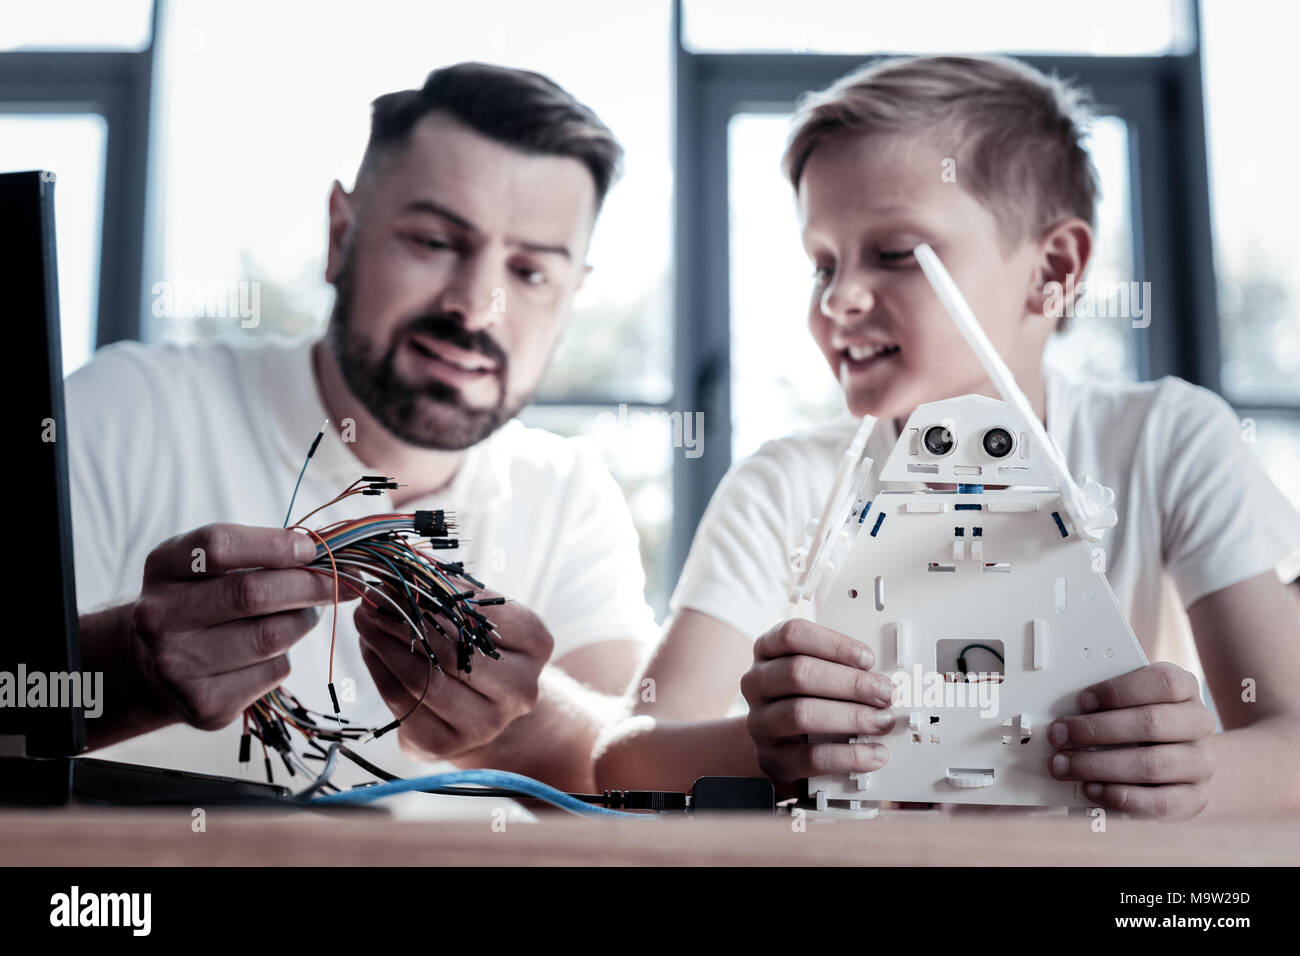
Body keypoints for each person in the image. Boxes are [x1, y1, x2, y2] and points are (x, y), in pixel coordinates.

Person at [594, 55, 1300, 819]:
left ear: (1052, 269)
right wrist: (766, 750)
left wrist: (1188, 778)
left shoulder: (1168, 439)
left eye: (897, 253)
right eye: (820, 264)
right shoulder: (784, 485)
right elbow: (628, 757)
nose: (840, 297)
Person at [69, 62, 657, 798]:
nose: (477, 307)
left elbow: (629, 777)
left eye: (532, 272)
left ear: (573, 297)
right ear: (341, 235)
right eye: (436, 242)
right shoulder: (129, 410)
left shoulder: (571, 495)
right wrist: (129, 665)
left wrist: (515, 727)